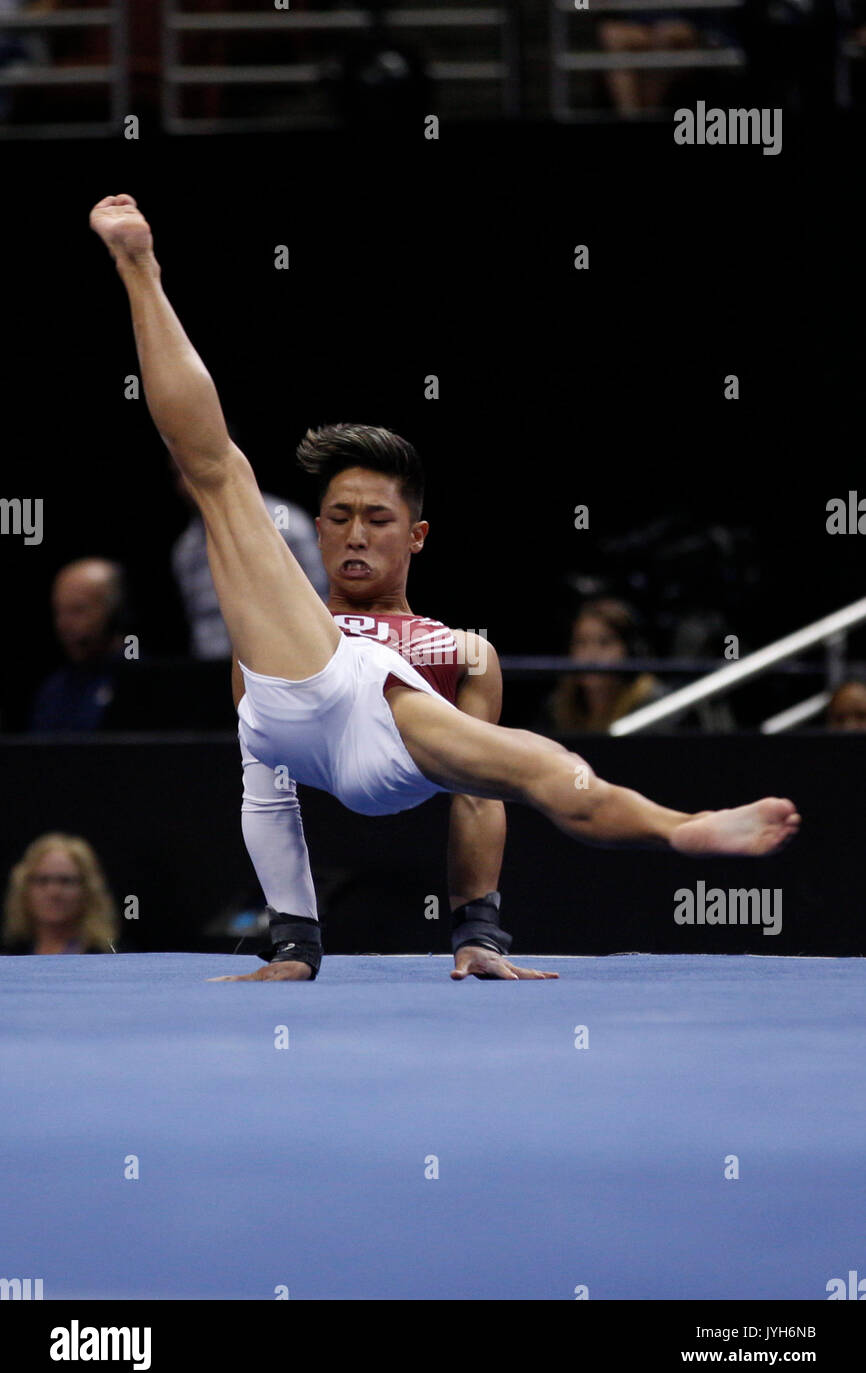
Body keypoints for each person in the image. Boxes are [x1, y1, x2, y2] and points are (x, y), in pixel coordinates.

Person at [88, 193, 801, 984]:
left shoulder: (457, 650)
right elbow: (266, 787)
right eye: (339, 517)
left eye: (378, 519)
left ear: (416, 535)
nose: (355, 534)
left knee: (543, 765)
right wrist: (294, 940)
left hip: (390, 736)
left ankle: (684, 830)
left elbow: (477, 797)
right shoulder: (274, 631)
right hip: (301, 701)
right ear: (317, 528)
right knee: (218, 474)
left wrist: (478, 932)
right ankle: (139, 269)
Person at [171, 455, 328, 659]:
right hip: (212, 675)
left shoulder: (287, 525)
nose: (186, 482)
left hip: (289, 667)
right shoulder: (186, 549)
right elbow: (199, 625)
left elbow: (322, 605)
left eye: (191, 470)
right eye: (178, 474)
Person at [543, 597, 674, 736]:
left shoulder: (654, 706)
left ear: (629, 650)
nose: (590, 655)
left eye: (604, 643)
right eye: (581, 642)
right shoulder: (559, 706)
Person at [29, 557, 128, 732]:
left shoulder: (141, 684)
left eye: (78, 610)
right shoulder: (54, 690)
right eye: (59, 611)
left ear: (114, 611)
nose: (64, 625)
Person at [2, 832, 119, 955]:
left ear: (88, 890)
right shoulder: (8, 956)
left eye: (65, 881)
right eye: (43, 880)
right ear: (24, 889)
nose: (54, 892)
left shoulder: (112, 957)